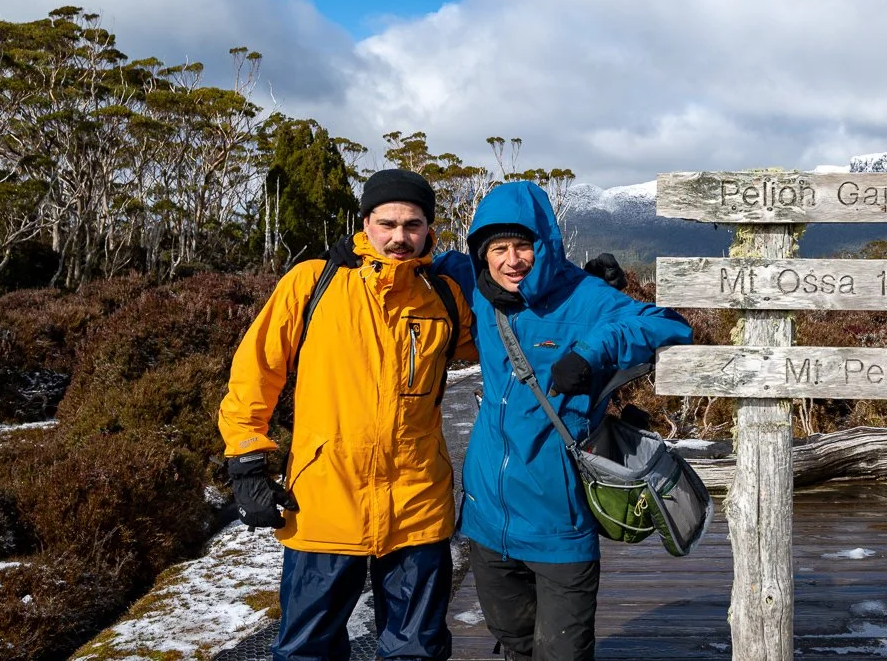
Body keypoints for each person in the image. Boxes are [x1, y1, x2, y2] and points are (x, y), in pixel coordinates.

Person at [218, 168, 477, 661]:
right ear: (365, 224)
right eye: (387, 223)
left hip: (418, 503)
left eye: (413, 224)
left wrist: (566, 295)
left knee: (416, 651)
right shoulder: (312, 282)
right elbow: (256, 371)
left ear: (429, 230)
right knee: (307, 651)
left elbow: (509, 344)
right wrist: (246, 458)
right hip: (325, 500)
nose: (399, 237)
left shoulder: (443, 296)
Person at [434, 181, 693, 661]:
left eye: (523, 246)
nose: (512, 261)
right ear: (481, 253)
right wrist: (352, 254)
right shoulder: (475, 286)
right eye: (498, 249)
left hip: (559, 519)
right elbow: (414, 258)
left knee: (563, 652)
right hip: (487, 516)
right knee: (512, 638)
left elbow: (669, 324)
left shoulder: (585, 297)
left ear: (545, 245)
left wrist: (593, 351)